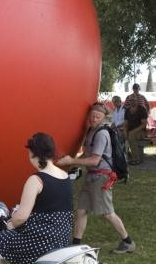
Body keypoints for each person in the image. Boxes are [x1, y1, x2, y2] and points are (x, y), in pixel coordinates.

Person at [0, 133, 73, 264]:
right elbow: (51, 209)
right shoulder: (64, 176)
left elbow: (21, 217)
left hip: (39, 242)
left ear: (34, 154)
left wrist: (8, 224)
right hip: (60, 240)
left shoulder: (36, 179)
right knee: (13, 239)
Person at [57, 103, 135, 254]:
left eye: (97, 117)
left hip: (101, 178)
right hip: (92, 176)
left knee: (107, 213)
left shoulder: (101, 134)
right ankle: (75, 244)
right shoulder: (91, 131)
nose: (93, 119)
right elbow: (87, 154)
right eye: (92, 116)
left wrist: (71, 161)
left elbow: (94, 160)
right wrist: (72, 161)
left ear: (103, 118)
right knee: (81, 210)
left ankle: (128, 242)